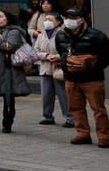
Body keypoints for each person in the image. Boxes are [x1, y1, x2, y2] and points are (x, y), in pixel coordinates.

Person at [54, 8, 109, 147]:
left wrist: (94, 68)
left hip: (93, 79)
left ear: (81, 19)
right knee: (75, 108)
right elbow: (61, 53)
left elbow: (106, 56)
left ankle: (104, 136)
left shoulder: (96, 36)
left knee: (98, 109)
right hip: (71, 79)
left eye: (72, 18)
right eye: (66, 17)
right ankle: (83, 134)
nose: (69, 20)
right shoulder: (60, 35)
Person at [33, 13, 75, 128]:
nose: (47, 21)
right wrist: (46, 56)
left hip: (59, 67)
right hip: (45, 68)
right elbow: (35, 51)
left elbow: (69, 50)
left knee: (63, 95)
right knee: (46, 95)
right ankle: (47, 117)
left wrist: (56, 57)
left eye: (50, 19)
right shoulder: (41, 35)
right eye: (45, 19)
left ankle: (70, 118)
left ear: (58, 22)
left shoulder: (63, 34)